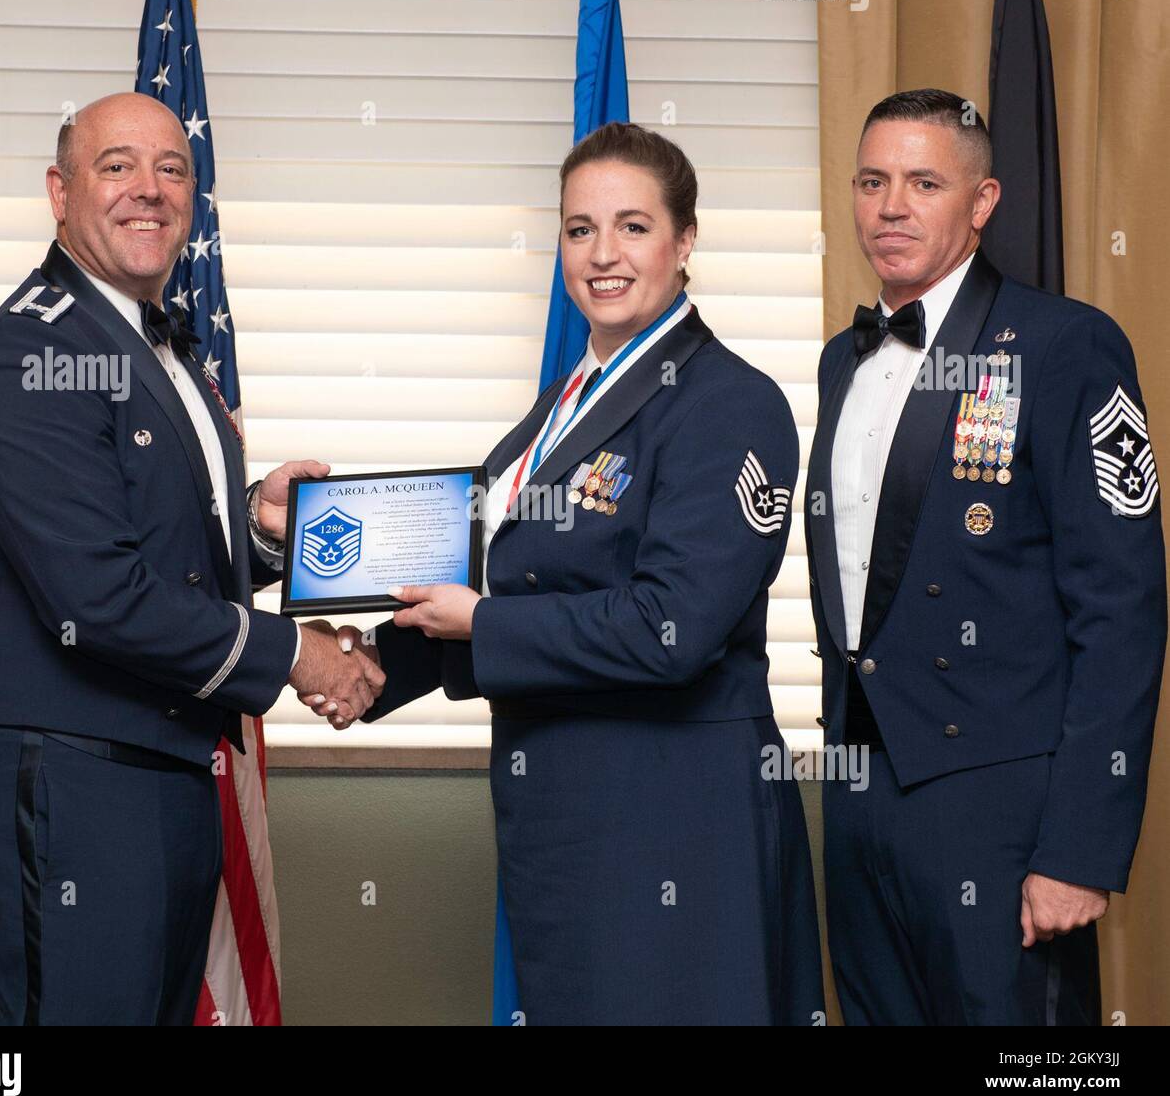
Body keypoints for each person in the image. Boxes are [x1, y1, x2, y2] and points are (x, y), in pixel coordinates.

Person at [313, 123, 824, 1025]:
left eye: (632, 226)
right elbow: (503, 589)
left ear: (685, 239)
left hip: (672, 823)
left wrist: (481, 626)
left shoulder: (728, 403)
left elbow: (673, 630)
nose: (603, 254)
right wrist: (370, 669)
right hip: (567, 824)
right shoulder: (560, 406)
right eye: (579, 229)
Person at [0, 92, 383, 1025]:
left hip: (155, 777)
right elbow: (98, 598)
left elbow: (159, 555)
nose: (150, 190)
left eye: (172, 169)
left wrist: (258, 529)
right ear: (60, 192)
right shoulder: (33, 352)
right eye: (117, 166)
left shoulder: (149, 342)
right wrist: (300, 655)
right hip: (68, 787)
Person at [806, 89, 1166, 1025]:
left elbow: (1122, 614)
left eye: (925, 182)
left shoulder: (1065, 346)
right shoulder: (839, 362)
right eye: (873, 181)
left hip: (1002, 808)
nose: (892, 207)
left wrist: (1079, 851)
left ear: (983, 201)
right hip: (858, 792)